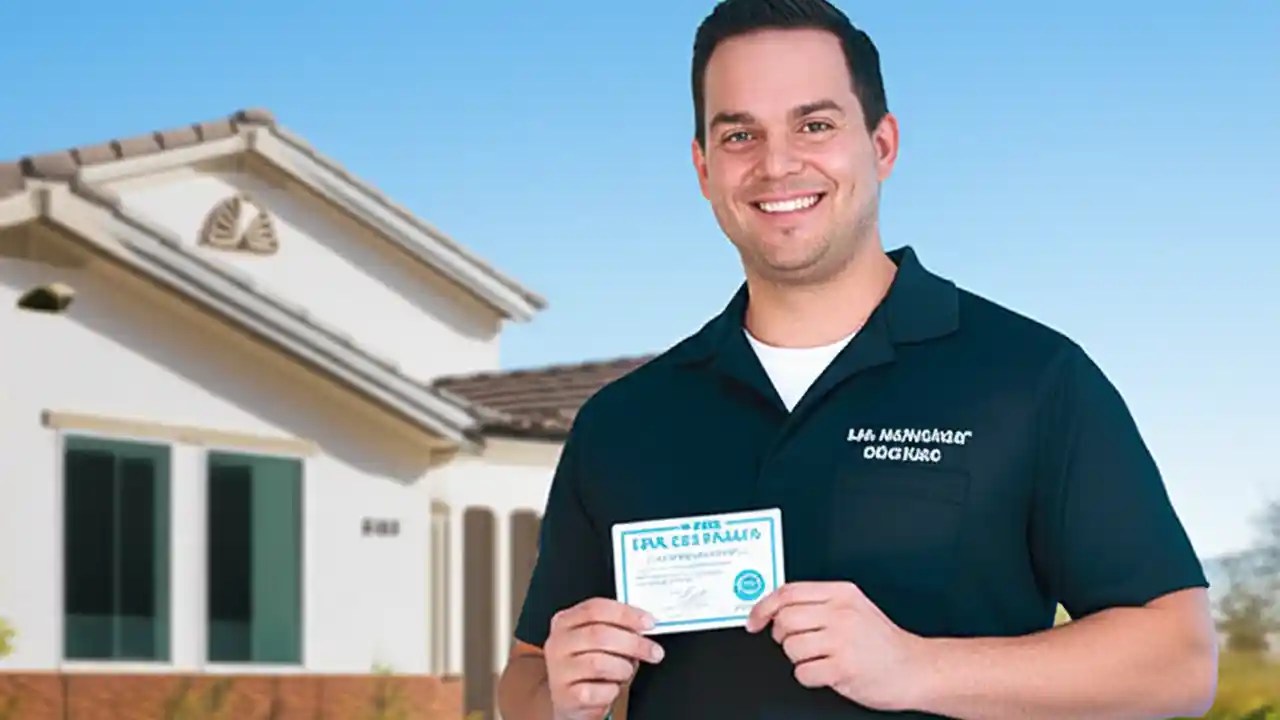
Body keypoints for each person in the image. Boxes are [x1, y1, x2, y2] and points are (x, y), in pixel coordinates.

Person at [496, 0, 1219, 718]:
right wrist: (554, 696)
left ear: (881, 145)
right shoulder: (624, 421)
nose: (777, 164)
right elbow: (525, 678)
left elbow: (1178, 663)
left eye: (815, 124)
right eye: (740, 134)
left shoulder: (1031, 378)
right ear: (703, 167)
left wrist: (918, 666)